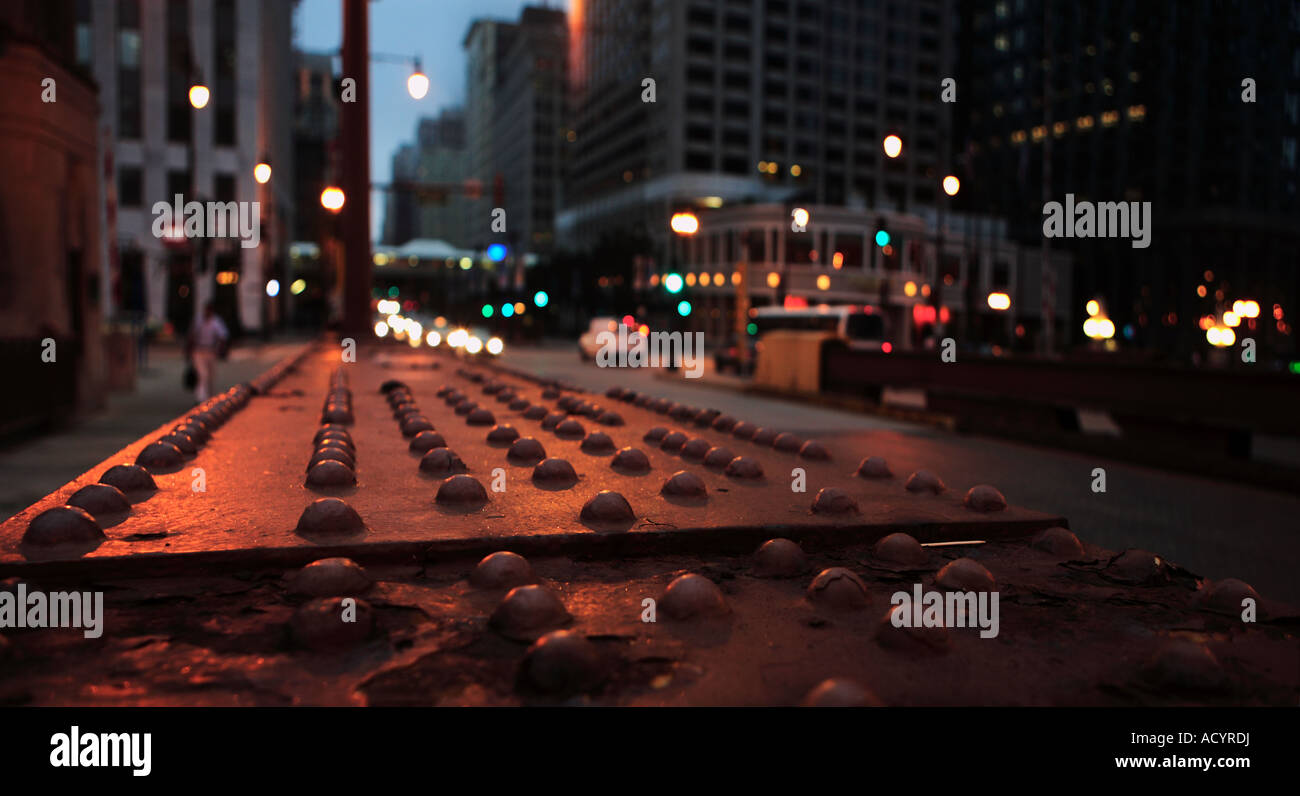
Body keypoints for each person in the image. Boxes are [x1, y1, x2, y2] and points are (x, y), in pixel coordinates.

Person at [187, 302, 229, 402]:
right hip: (199, 351)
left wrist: (220, 349)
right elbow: (191, 335)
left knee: (210, 376)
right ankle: (201, 398)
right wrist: (189, 350)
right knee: (203, 374)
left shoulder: (216, 322)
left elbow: (223, 336)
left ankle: (209, 397)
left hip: (211, 351)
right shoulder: (198, 321)